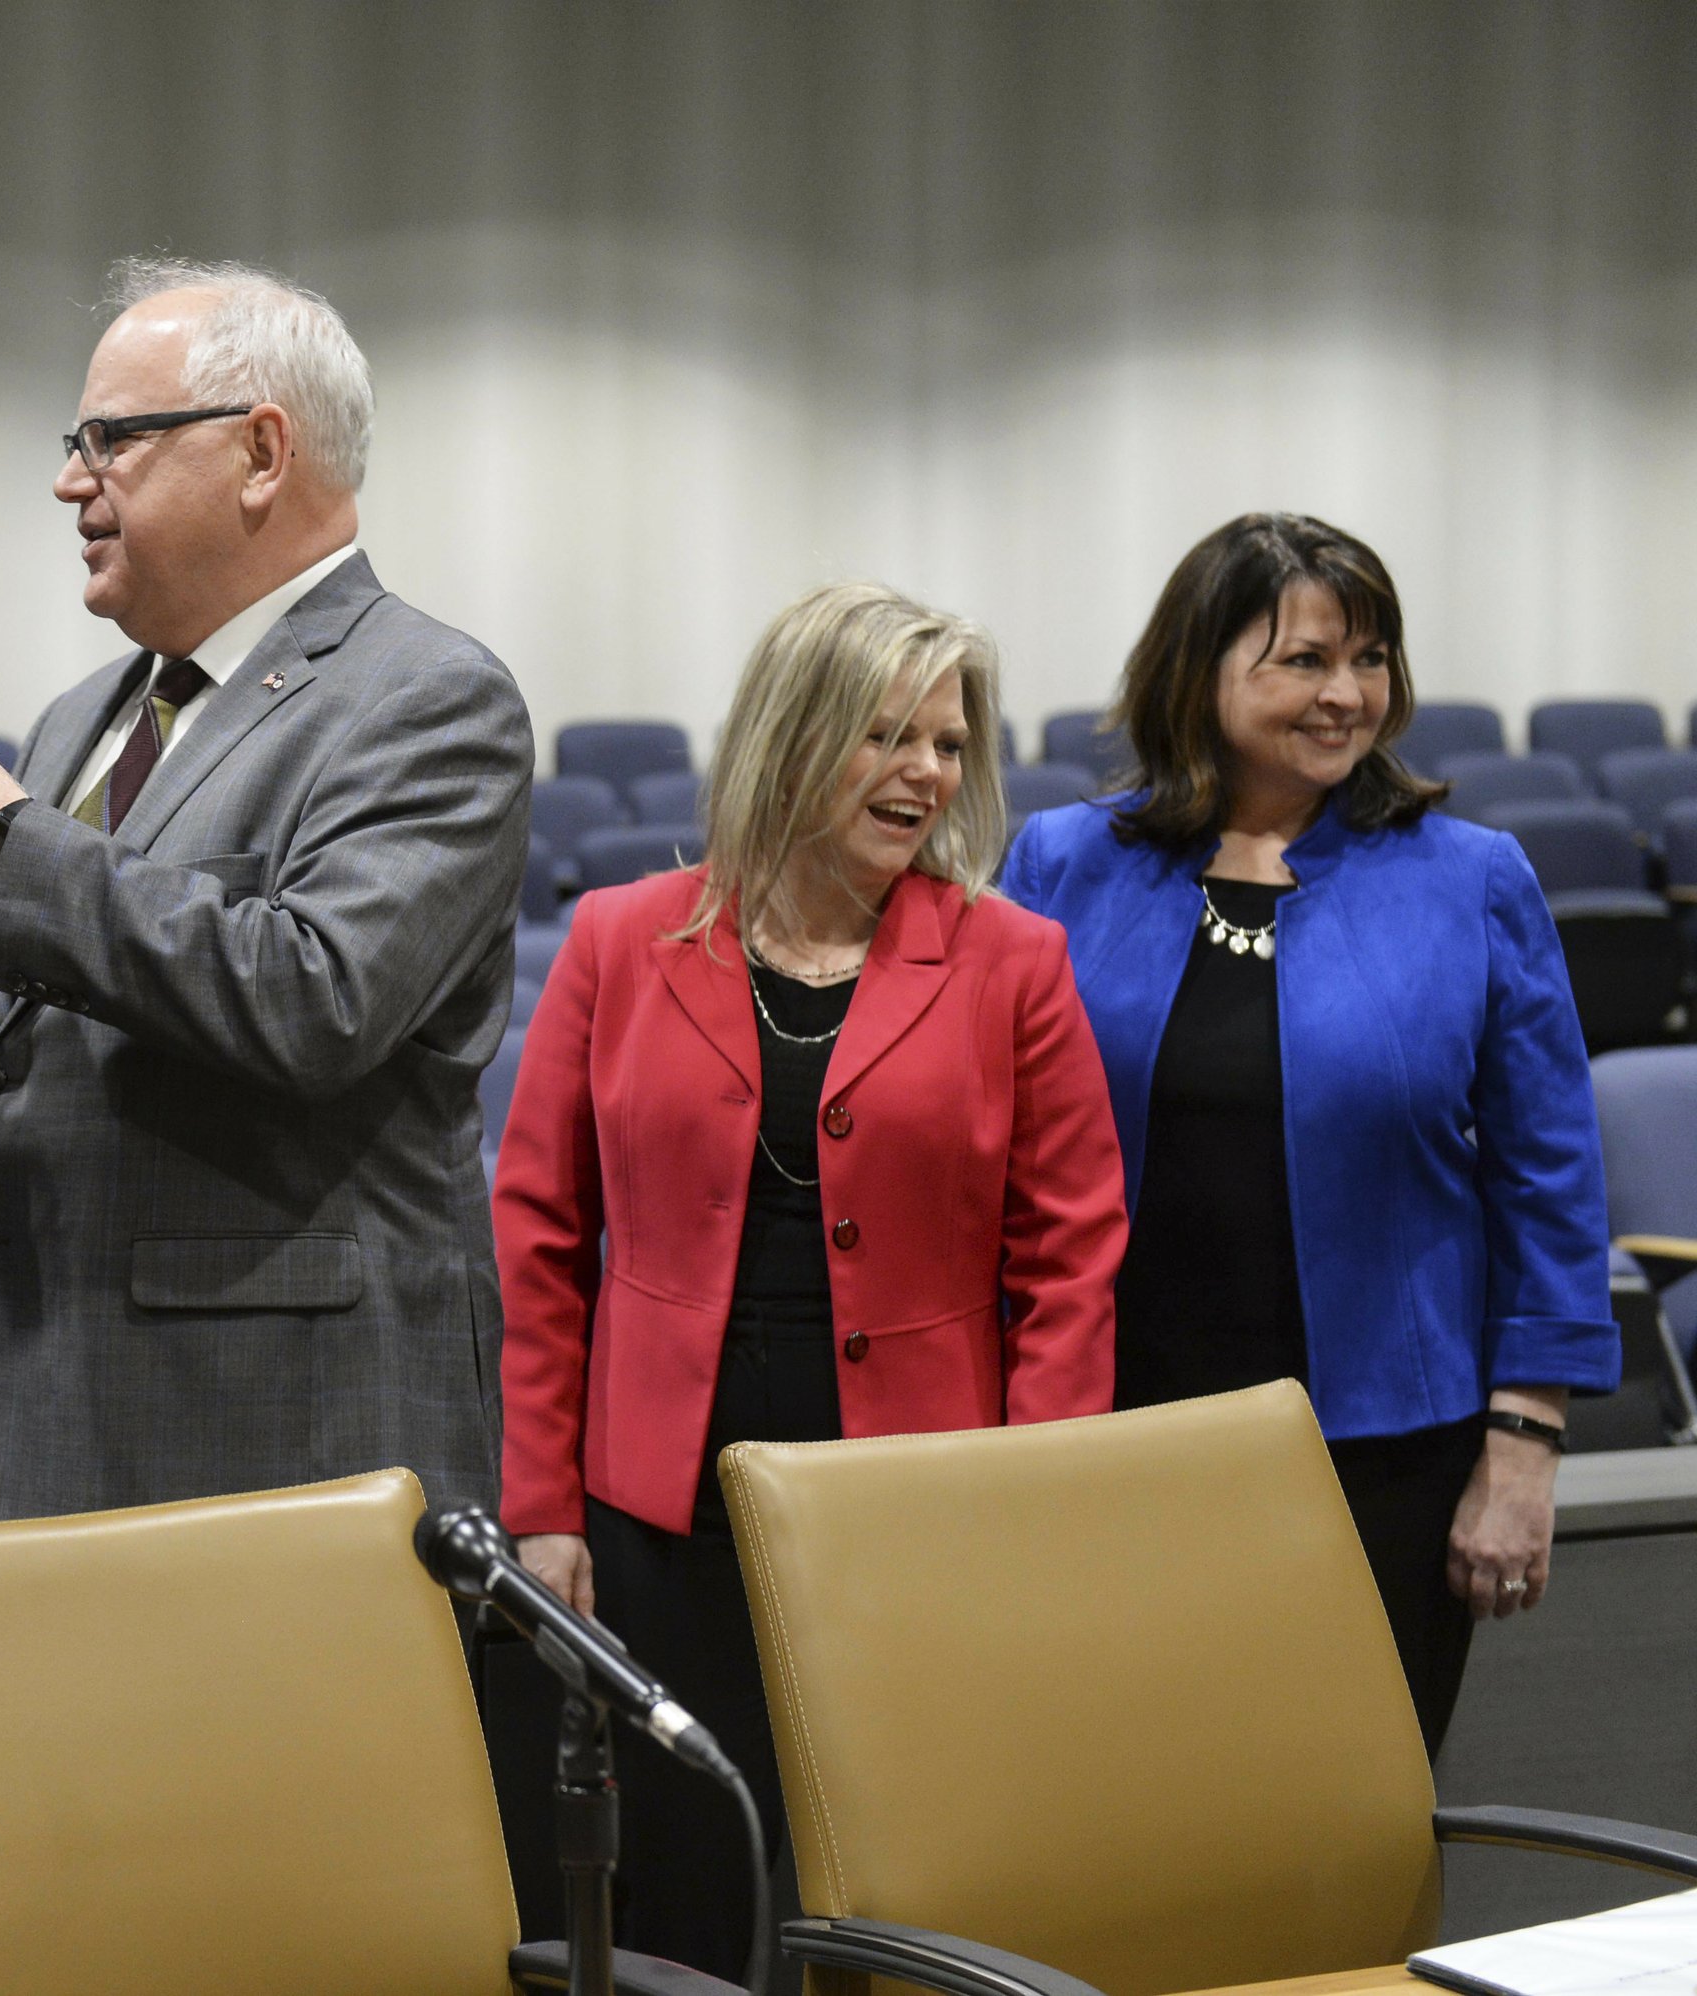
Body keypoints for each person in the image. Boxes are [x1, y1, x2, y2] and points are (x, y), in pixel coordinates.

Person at [0, 256, 531, 1522]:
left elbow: (317, 998)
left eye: (112, 440)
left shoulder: (428, 698)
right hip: (35, 1410)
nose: (72, 480)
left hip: (271, 1443)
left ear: (260, 452)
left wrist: (9, 843)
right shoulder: (86, 714)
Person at [497, 582, 1127, 1978]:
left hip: (915, 1500)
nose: (926, 775)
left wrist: (1038, 1496)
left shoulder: (1014, 963)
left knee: (900, 1877)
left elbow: (1070, 1254)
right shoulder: (620, 937)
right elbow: (541, 1234)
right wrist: (544, 1505)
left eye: (949, 744)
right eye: (887, 736)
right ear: (793, 736)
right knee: (681, 1881)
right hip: (662, 1506)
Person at [1003, 513, 1618, 1757]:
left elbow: (1550, 1177)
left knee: (1351, 1808)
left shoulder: (1471, 876)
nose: (1348, 695)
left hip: (1388, 1444)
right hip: (1119, 1431)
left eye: (1372, 658)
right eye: (1304, 660)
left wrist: (1527, 1441)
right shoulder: (1064, 863)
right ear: (1200, 669)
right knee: (1135, 1794)